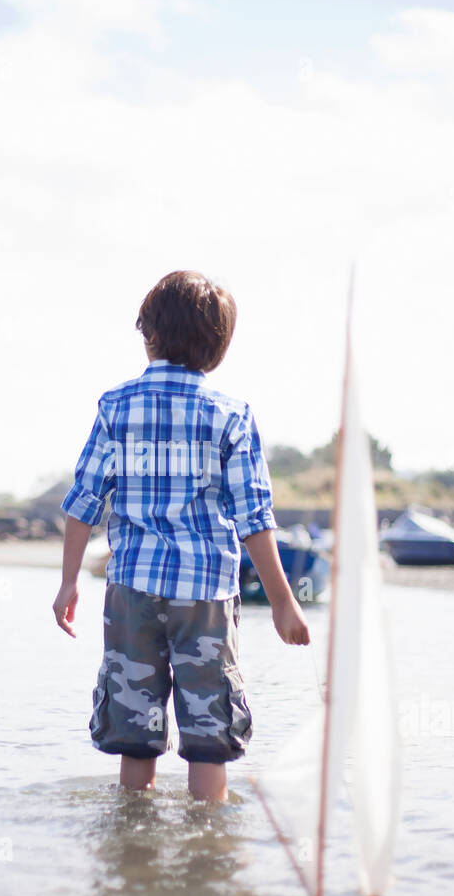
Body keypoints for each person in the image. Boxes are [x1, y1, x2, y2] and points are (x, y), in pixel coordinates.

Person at [52, 270, 309, 802]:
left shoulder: (116, 407)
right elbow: (254, 518)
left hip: (132, 594)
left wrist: (68, 583)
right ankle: (207, 857)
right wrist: (283, 603)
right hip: (206, 596)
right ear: (218, 347)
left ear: (147, 333)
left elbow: (84, 503)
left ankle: (133, 853)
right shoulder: (230, 415)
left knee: (135, 736)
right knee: (210, 738)